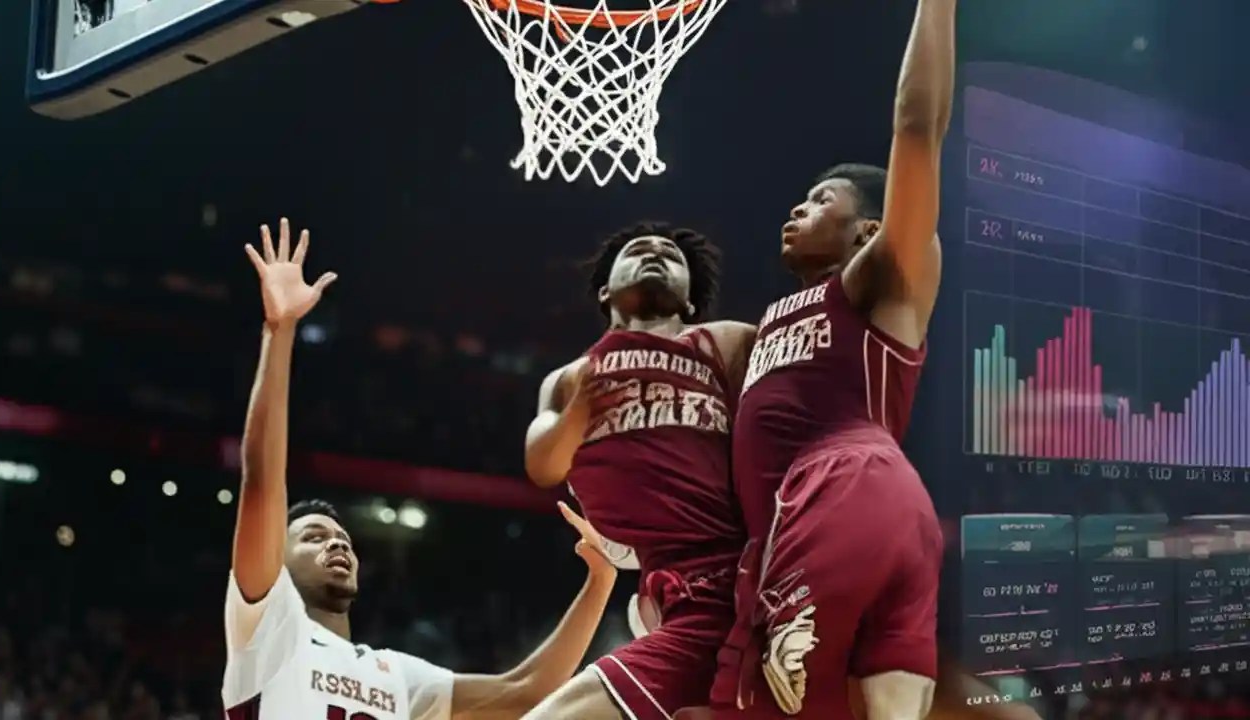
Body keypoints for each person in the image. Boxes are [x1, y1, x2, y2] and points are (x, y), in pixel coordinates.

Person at [223, 218, 617, 720]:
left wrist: (601, 580)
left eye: (340, 536)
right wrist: (279, 334)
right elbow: (261, 480)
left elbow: (524, 690)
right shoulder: (265, 627)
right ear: (275, 563)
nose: (337, 543)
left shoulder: (395, 674)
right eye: (314, 537)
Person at [710, 1, 956, 718]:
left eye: (819, 200)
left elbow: (917, 128)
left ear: (869, 229)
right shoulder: (764, 328)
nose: (794, 210)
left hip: (836, 489)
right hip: (877, 522)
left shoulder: (881, 280)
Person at [522, 222, 756, 720]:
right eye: (638, 250)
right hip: (669, 590)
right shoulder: (569, 379)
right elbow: (543, 463)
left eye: (671, 255)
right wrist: (580, 410)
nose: (655, 255)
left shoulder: (726, 343)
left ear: (691, 300)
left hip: (730, 579)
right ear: (605, 289)